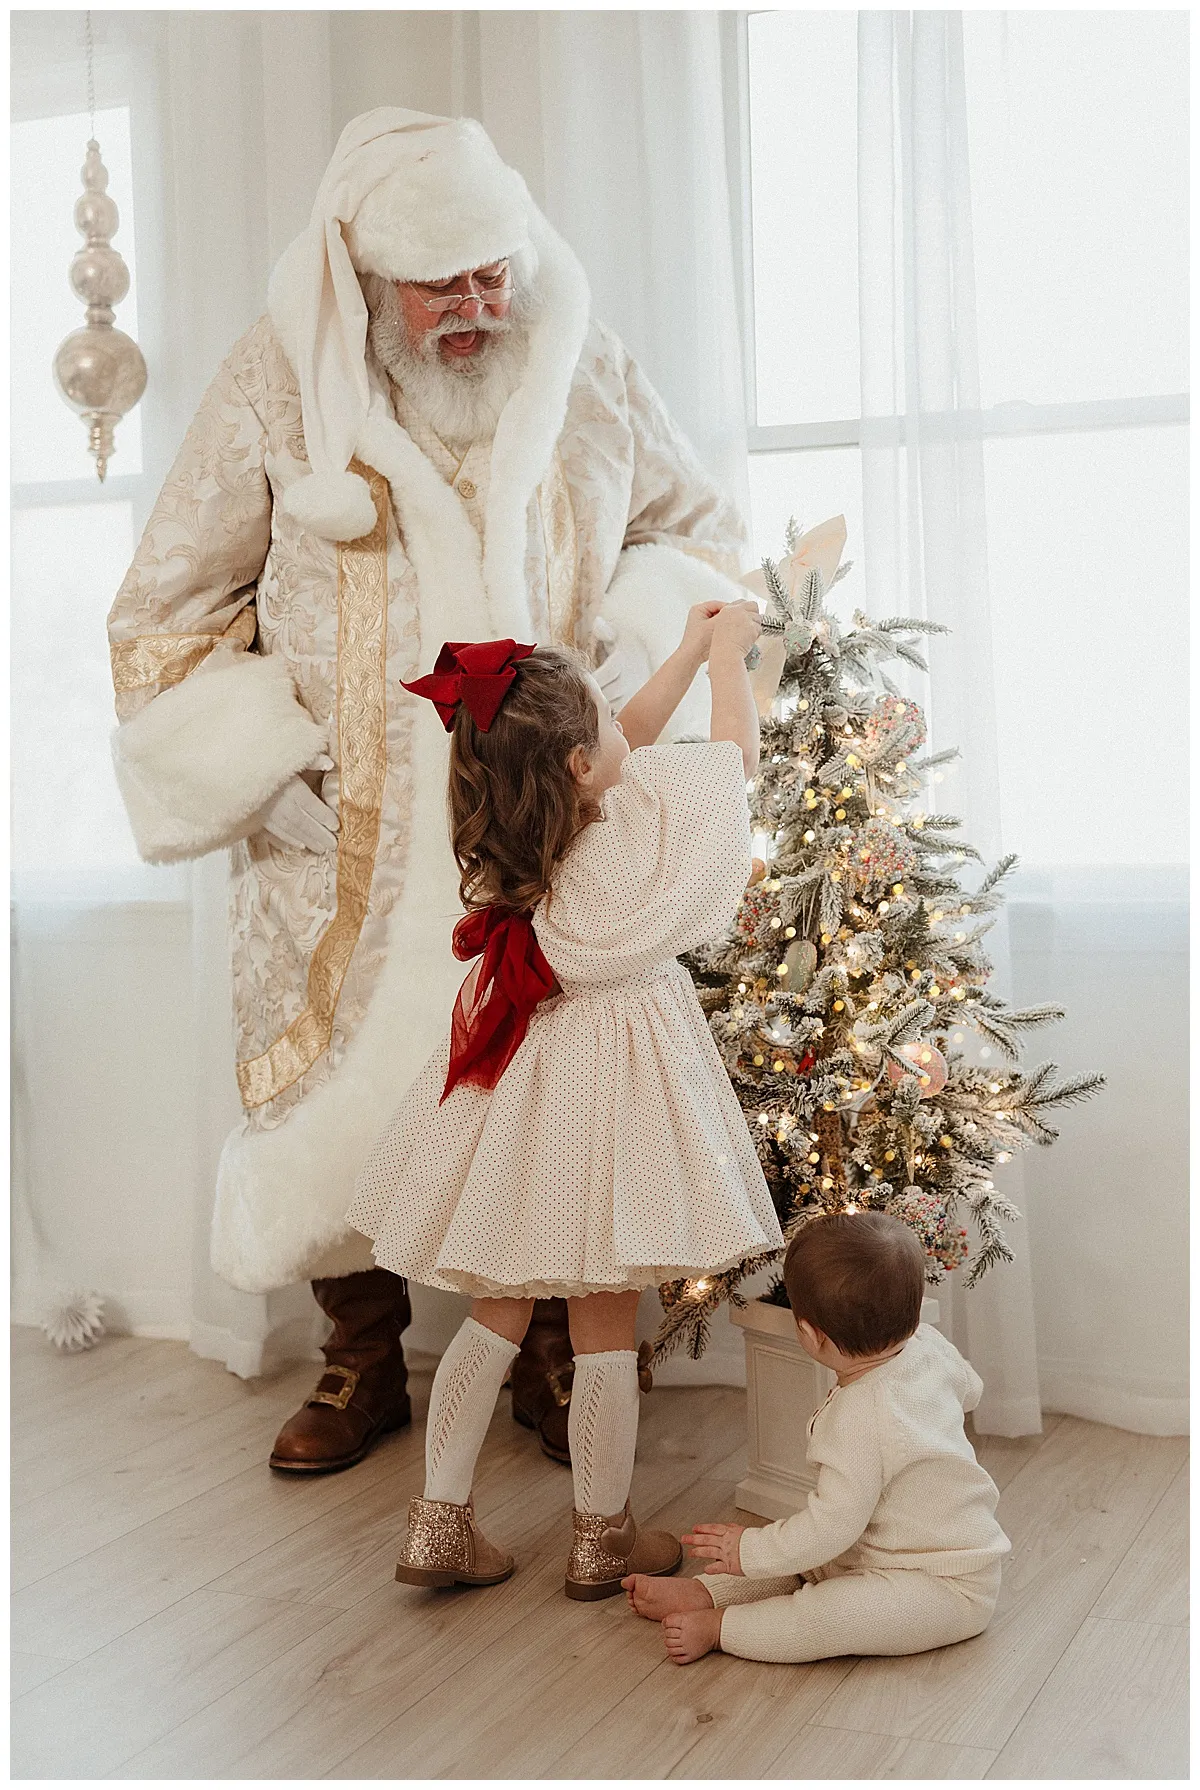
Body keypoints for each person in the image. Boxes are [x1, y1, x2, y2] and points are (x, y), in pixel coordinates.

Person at [105, 107, 752, 1474]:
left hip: (550, 836)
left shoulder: (585, 367)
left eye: (491, 275)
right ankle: (360, 1357)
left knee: (554, 1096)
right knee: (338, 1095)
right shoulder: (278, 385)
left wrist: (628, 665)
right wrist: (266, 765)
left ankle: (554, 1353)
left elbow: (697, 531)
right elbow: (166, 604)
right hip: (344, 844)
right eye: (439, 283)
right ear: (367, 275)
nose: (474, 309)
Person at [346, 599, 784, 1598]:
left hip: (524, 1088)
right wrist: (724, 655)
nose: (620, 719)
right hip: (616, 1087)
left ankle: (439, 1518)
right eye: (601, 716)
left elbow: (624, 733)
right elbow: (731, 759)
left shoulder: (523, 833)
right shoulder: (630, 840)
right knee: (600, 1320)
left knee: (494, 1308)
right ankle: (601, 1534)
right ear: (581, 769)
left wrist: (674, 650)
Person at [625, 1211, 1011, 1662]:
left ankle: (723, 1626)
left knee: (829, 1611)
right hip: (863, 1547)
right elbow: (971, 1391)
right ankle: (705, 1594)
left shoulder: (862, 1416)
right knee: (801, 1560)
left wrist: (747, 1548)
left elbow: (831, 1528)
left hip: (941, 1584)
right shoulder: (928, 1344)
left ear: (810, 1334)